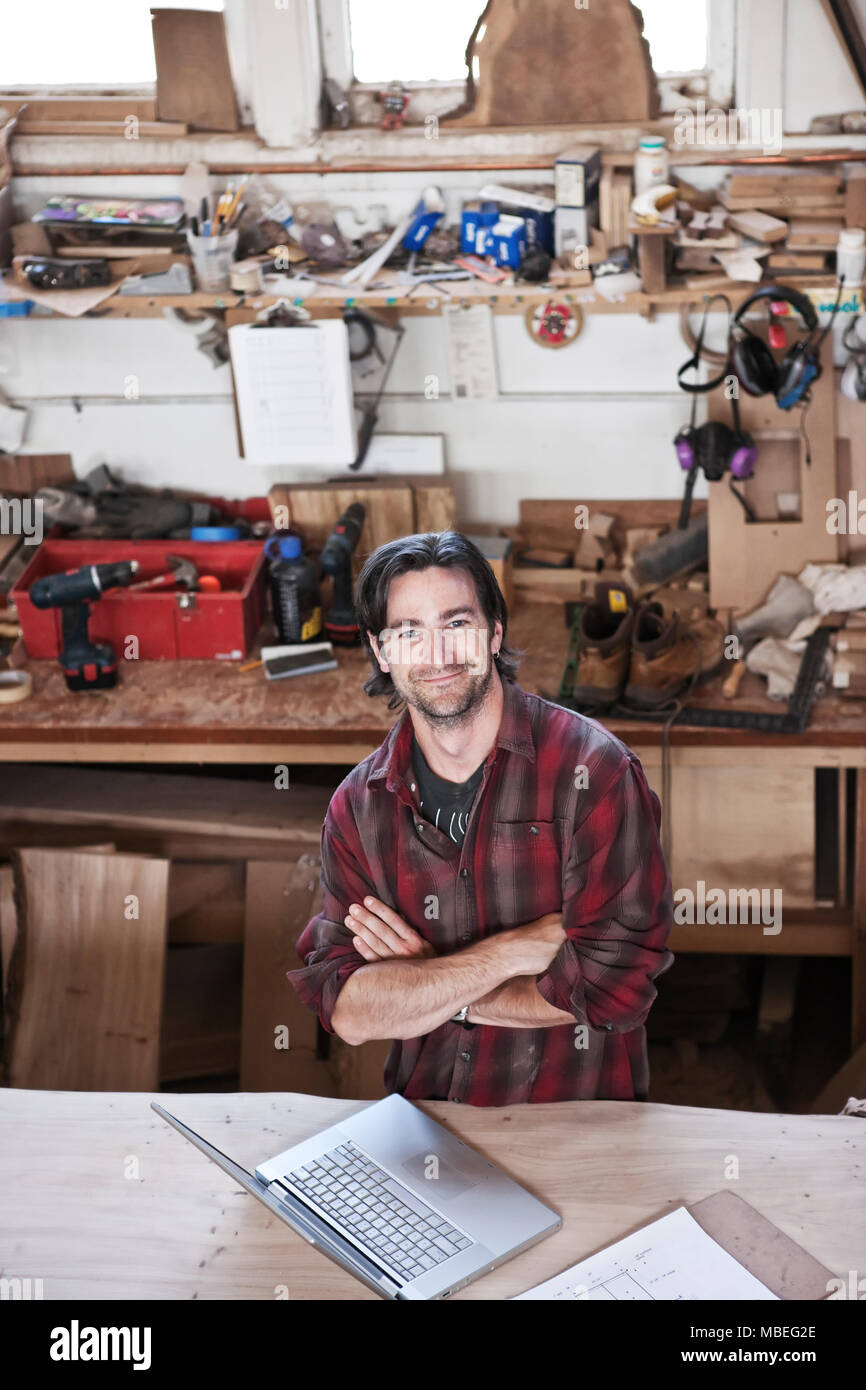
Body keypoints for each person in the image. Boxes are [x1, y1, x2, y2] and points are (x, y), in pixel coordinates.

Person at [287, 531, 674, 1105]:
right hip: (427, 1121)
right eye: (409, 632)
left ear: (494, 631)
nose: (436, 654)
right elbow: (349, 1011)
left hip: (575, 1122)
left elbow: (612, 990)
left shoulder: (594, 773)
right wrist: (511, 953)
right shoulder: (358, 807)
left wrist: (428, 981)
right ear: (381, 651)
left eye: (457, 624)